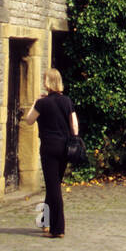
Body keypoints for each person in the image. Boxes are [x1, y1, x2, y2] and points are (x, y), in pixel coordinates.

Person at [21, 68, 78, 239]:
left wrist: (35, 103)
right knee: (53, 185)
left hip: (49, 148)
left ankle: (57, 229)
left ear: (47, 82)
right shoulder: (67, 101)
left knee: (53, 188)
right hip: (64, 148)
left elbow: (29, 120)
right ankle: (46, 222)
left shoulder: (42, 103)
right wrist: (74, 139)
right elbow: (74, 125)